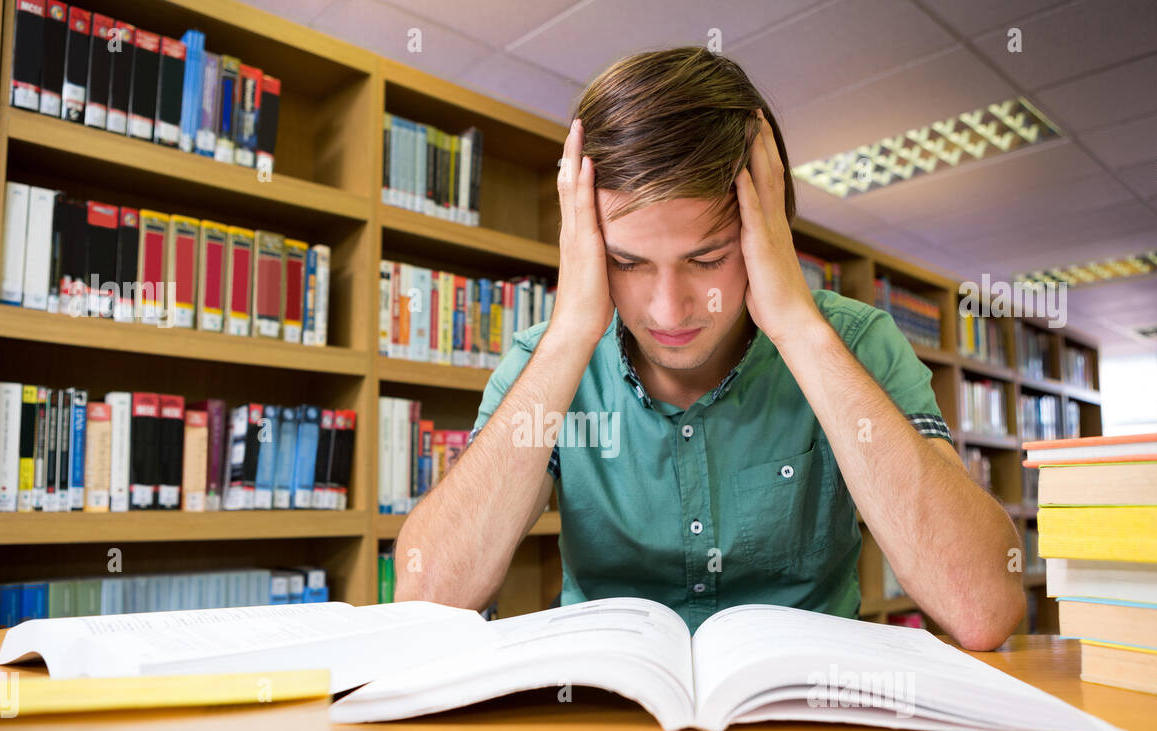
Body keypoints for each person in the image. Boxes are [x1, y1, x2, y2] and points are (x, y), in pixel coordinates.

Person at [394, 46, 1024, 651]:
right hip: (606, 728)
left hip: (812, 730)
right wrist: (567, 338)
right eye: (628, 262)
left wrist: (799, 329)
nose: (668, 310)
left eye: (707, 258)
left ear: (768, 234)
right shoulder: (545, 360)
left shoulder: (857, 344)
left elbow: (982, 608)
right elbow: (426, 598)